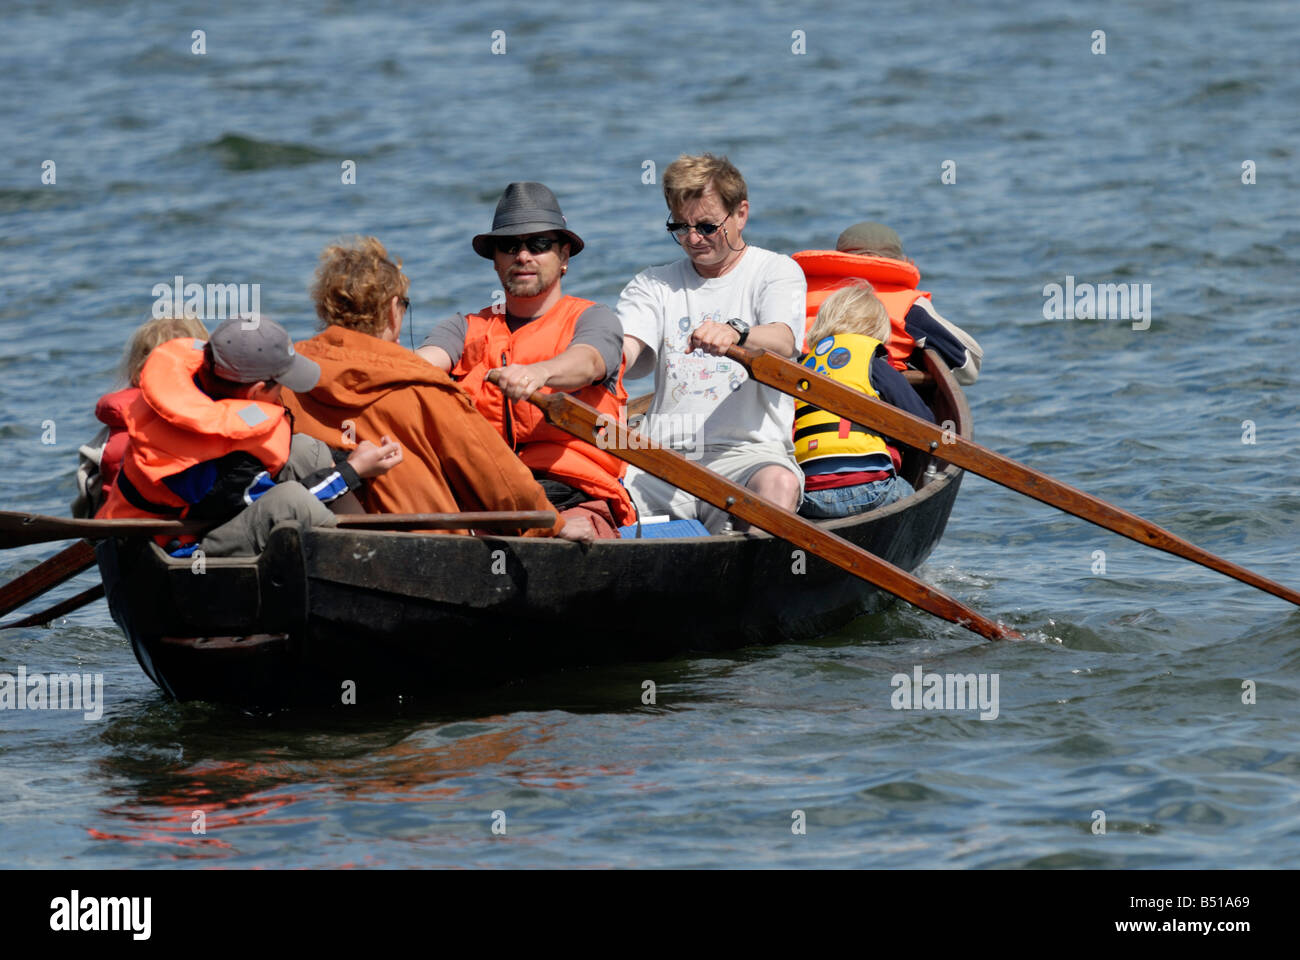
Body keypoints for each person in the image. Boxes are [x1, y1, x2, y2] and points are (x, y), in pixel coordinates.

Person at [284, 236, 581, 540]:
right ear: (391, 310)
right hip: (422, 546)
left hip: (314, 535)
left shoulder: (284, 379)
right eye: (404, 305)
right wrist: (553, 523)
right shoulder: (426, 388)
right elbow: (496, 478)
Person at [415, 182, 633, 539]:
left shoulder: (594, 319)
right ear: (496, 261)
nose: (523, 256)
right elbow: (423, 364)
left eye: (539, 244)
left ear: (564, 257)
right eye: (510, 246)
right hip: (484, 498)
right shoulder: (462, 327)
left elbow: (589, 361)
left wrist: (539, 372)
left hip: (571, 496)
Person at [98, 317, 403, 556]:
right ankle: (363, 564)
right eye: (281, 384)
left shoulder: (207, 390)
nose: (284, 391)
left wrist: (351, 461)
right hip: (177, 550)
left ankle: (371, 546)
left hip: (212, 515)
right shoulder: (221, 461)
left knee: (304, 450)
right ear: (257, 392)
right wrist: (353, 471)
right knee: (292, 500)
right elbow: (278, 502)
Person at [616, 153, 807, 533]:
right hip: (659, 460)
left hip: (746, 456)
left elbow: (783, 340)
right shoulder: (653, 284)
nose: (692, 239)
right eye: (680, 227)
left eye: (706, 226)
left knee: (780, 484)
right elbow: (626, 350)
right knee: (592, 496)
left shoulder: (775, 271)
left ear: (741, 214)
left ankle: (756, 581)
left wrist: (738, 333)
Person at [795, 281, 936, 519]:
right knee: (914, 499)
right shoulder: (873, 362)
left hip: (810, 496)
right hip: (873, 491)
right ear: (877, 328)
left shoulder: (804, 367)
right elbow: (924, 422)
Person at [792, 222, 983, 385]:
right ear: (904, 262)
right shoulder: (910, 304)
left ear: (840, 257)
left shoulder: (800, 295)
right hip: (880, 391)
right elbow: (967, 367)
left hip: (804, 384)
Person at [73, 313, 211, 518]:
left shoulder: (106, 437)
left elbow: (86, 500)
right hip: (192, 528)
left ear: (136, 367)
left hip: (124, 532)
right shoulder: (214, 419)